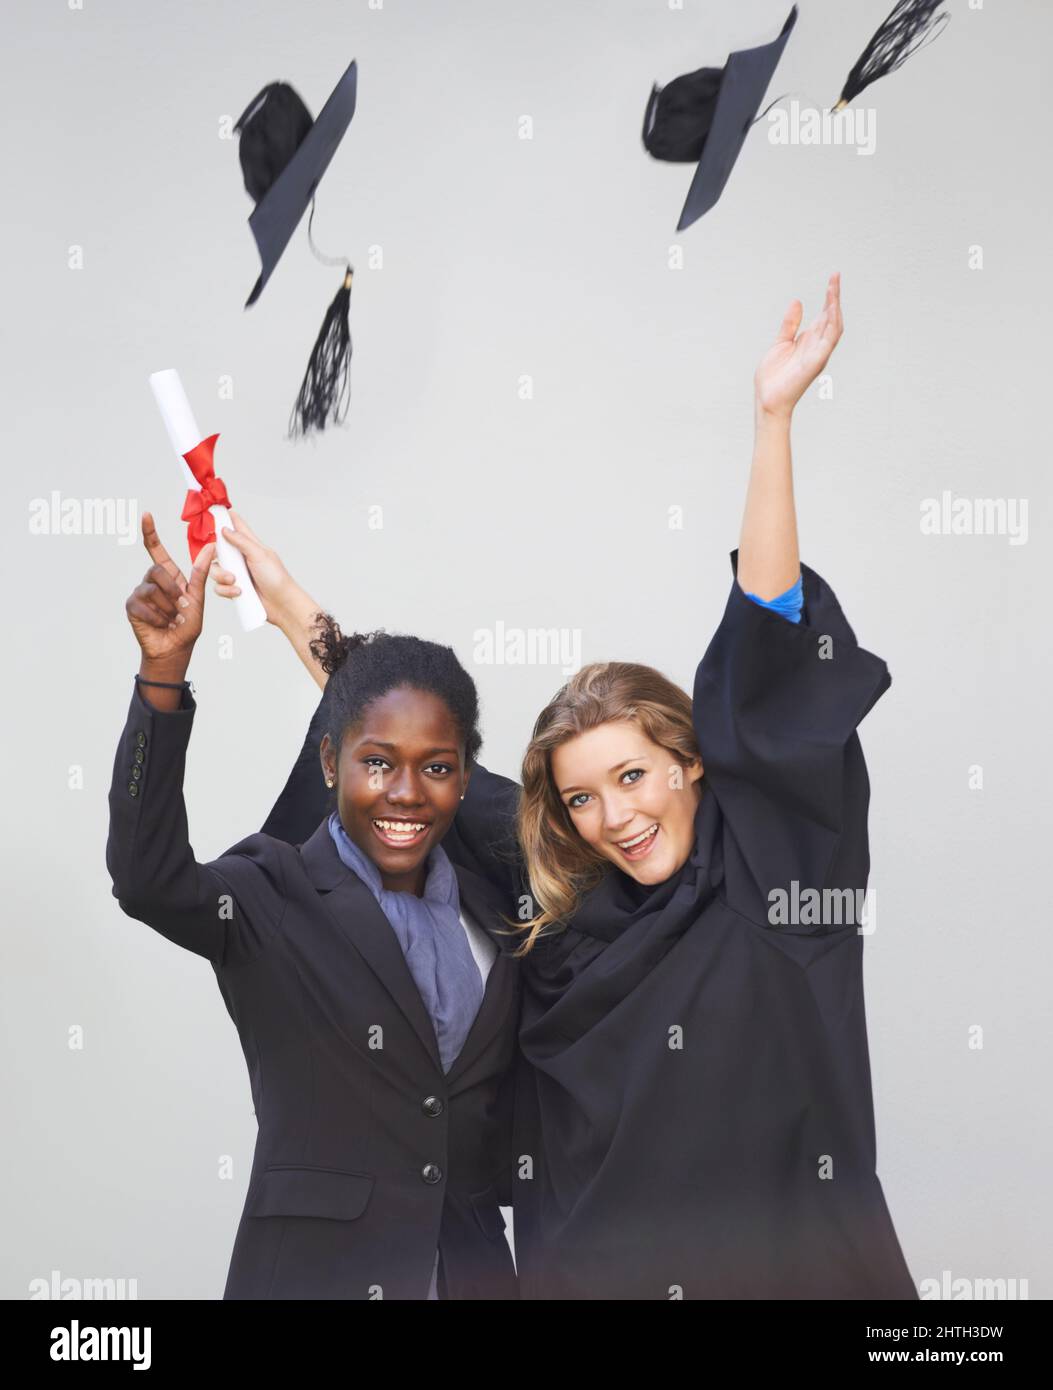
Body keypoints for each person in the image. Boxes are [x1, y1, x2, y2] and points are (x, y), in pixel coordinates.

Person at [215, 273, 917, 1299]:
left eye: (634, 776)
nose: (615, 816)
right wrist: (290, 614)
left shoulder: (777, 879)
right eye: (583, 796)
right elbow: (411, 747)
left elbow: (767, 647)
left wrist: (772, 421)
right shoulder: (566, 905)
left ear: (695, 762)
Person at [105, 526, 521, 1300]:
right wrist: (164, 672)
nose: (404, 792)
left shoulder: (497, 909)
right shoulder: (273, 891)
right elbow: (147, 879)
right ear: (330, 763)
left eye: (435, 768)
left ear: (465, 779)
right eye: (375, 763)